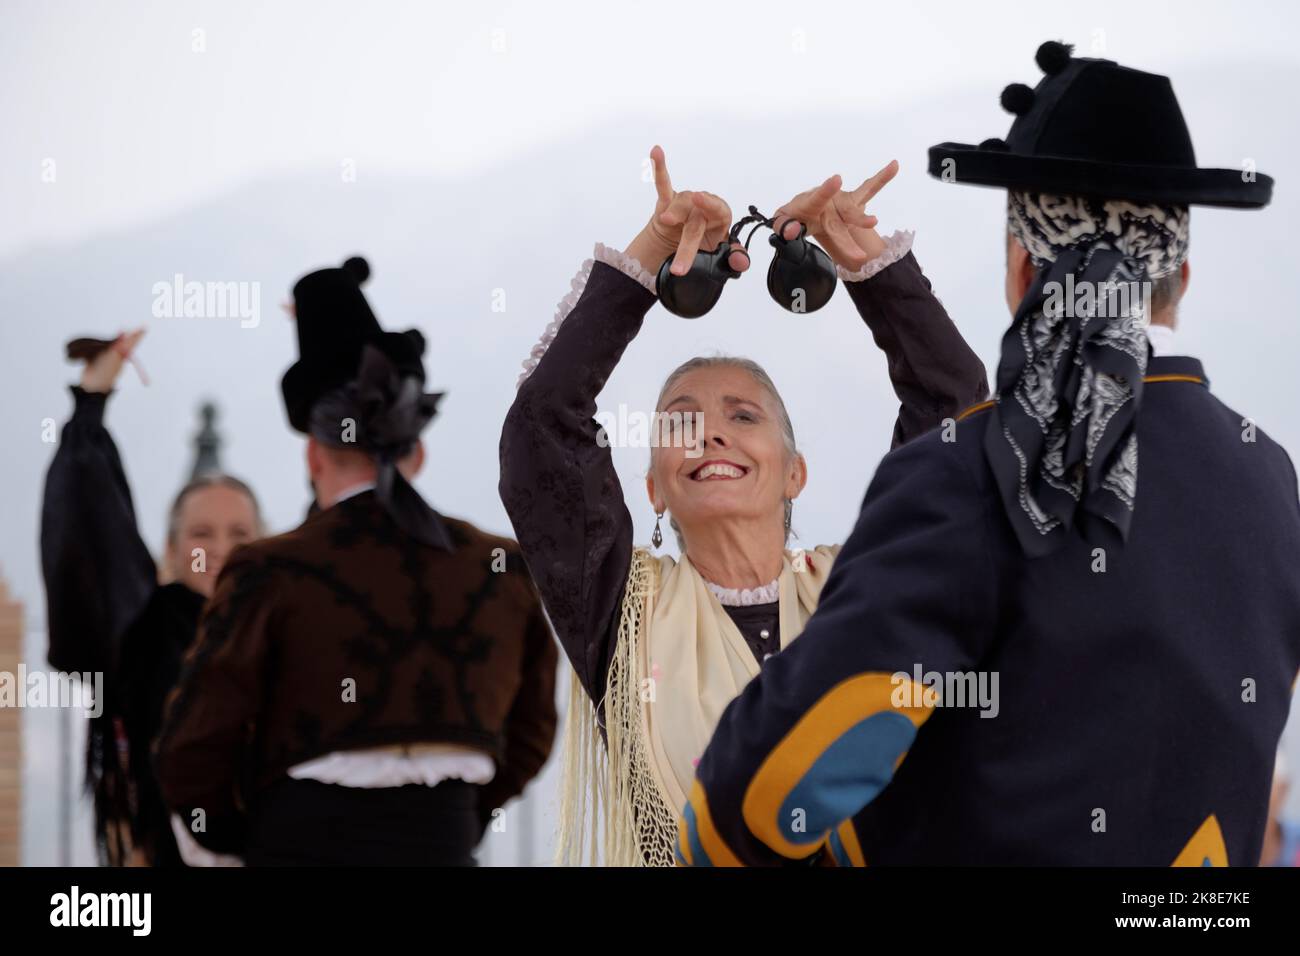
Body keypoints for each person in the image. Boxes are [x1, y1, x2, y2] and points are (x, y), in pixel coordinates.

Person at [680, 41, 1300, 867]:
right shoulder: (1271, 482)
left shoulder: (966, 470)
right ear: (1180, 275)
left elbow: (761, 800)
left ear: (1020, 267)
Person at [500, 147, 987, 865]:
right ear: (654, 488)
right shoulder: (618, 608)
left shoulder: (863, 593)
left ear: (795, 473)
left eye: (744, 416)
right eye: (682, 420)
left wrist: (868, 266)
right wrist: (651, 253)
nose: (712, 433)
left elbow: (956, 419)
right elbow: (544, 427)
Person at [155, 256, 557, 866]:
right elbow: (531, 736)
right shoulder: (502, 567)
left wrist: (249, 838)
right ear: (415, 452)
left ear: (313, 456)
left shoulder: (268, 570)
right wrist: (448, 826)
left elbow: (191, 748)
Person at [41, 330, 263, 866]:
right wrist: (90, 403)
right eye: (202, 534)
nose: (220, 550)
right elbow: (90, 535)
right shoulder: (145, 629)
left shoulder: (288, 622)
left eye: (240, 535)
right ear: (170, 547)